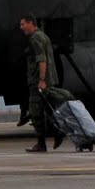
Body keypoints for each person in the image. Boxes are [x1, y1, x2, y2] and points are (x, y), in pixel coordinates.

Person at [21, 15, 61, 153]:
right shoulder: (44, 36)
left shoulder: (35, 38)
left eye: (23, 24)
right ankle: (56, 133)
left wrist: (41, 80)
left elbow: (42, 60)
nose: (21, 28)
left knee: (35, 112)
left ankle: (43, 143)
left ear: (31, 23)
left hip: (39, 82)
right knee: (47, 110)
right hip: (49, 79)